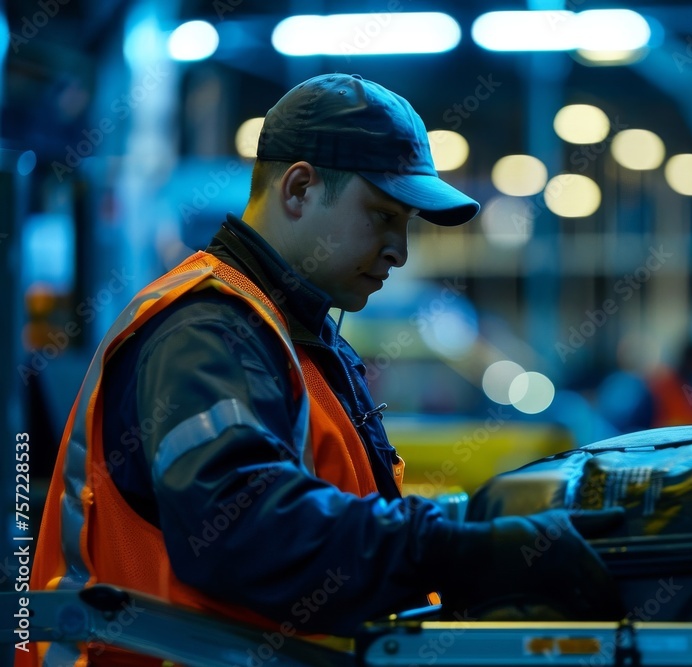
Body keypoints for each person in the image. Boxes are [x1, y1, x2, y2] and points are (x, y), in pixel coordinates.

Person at [23, 73, 623, 666]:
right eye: (383, 216)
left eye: (406, 225)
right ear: (300, 190)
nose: (400, 250)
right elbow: (246, 534)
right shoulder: (207, 334)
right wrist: (458, 544)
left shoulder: (291, 332)